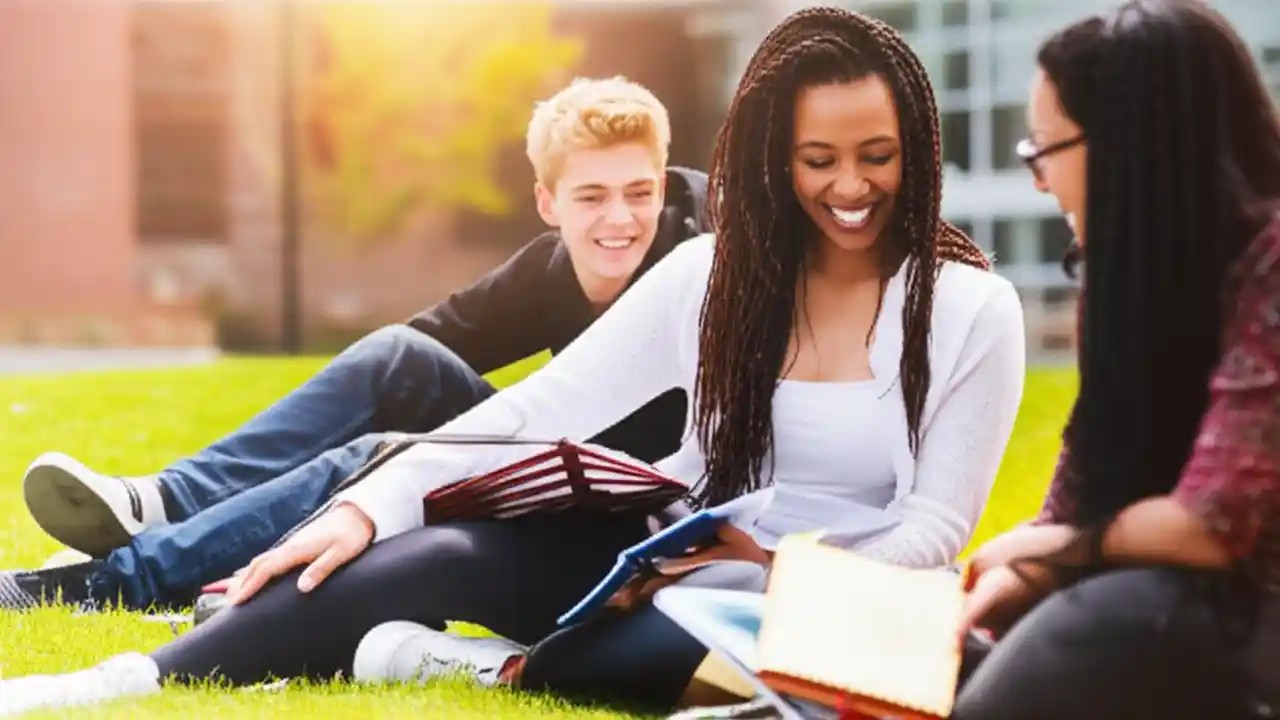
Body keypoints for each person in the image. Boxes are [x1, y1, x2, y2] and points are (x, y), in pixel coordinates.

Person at [0, 6, 1026, 717]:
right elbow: (538, 408)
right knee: (419, 555)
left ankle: (475, 667)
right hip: (662, 563)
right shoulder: (717, 276)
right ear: (772, 159)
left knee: (677, 655)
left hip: (826, 605)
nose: (848, 187)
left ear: (918, 152)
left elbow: (934, 534)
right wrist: (364, 508)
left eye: (876, 157)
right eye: (818, 160)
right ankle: (128, 676)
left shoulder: (972, 311)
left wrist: (766, 565)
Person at [0, 76, 706, 612]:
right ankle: (161, 502)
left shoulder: (702, 251)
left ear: (665, 185)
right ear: (548, 204)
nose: (622, 219)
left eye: (640, 193)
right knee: (398, 359)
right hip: (544, 453)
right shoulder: (545, 271)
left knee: (378, 460)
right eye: (592, 198)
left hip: (630, 506)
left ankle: (106, 582)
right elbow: (414, 356)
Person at [951, 2, 1280, 718]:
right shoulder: (1130, 280)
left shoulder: (1270, 268)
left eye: (1043, 149)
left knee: (1118, 611)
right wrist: (1024, 570)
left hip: (1245, 612)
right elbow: (1081, 489)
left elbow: (1213, 526)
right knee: (968, 650)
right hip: (1187, 608)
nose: (1037, 181)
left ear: (1130, 145)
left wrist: (1061, 551)